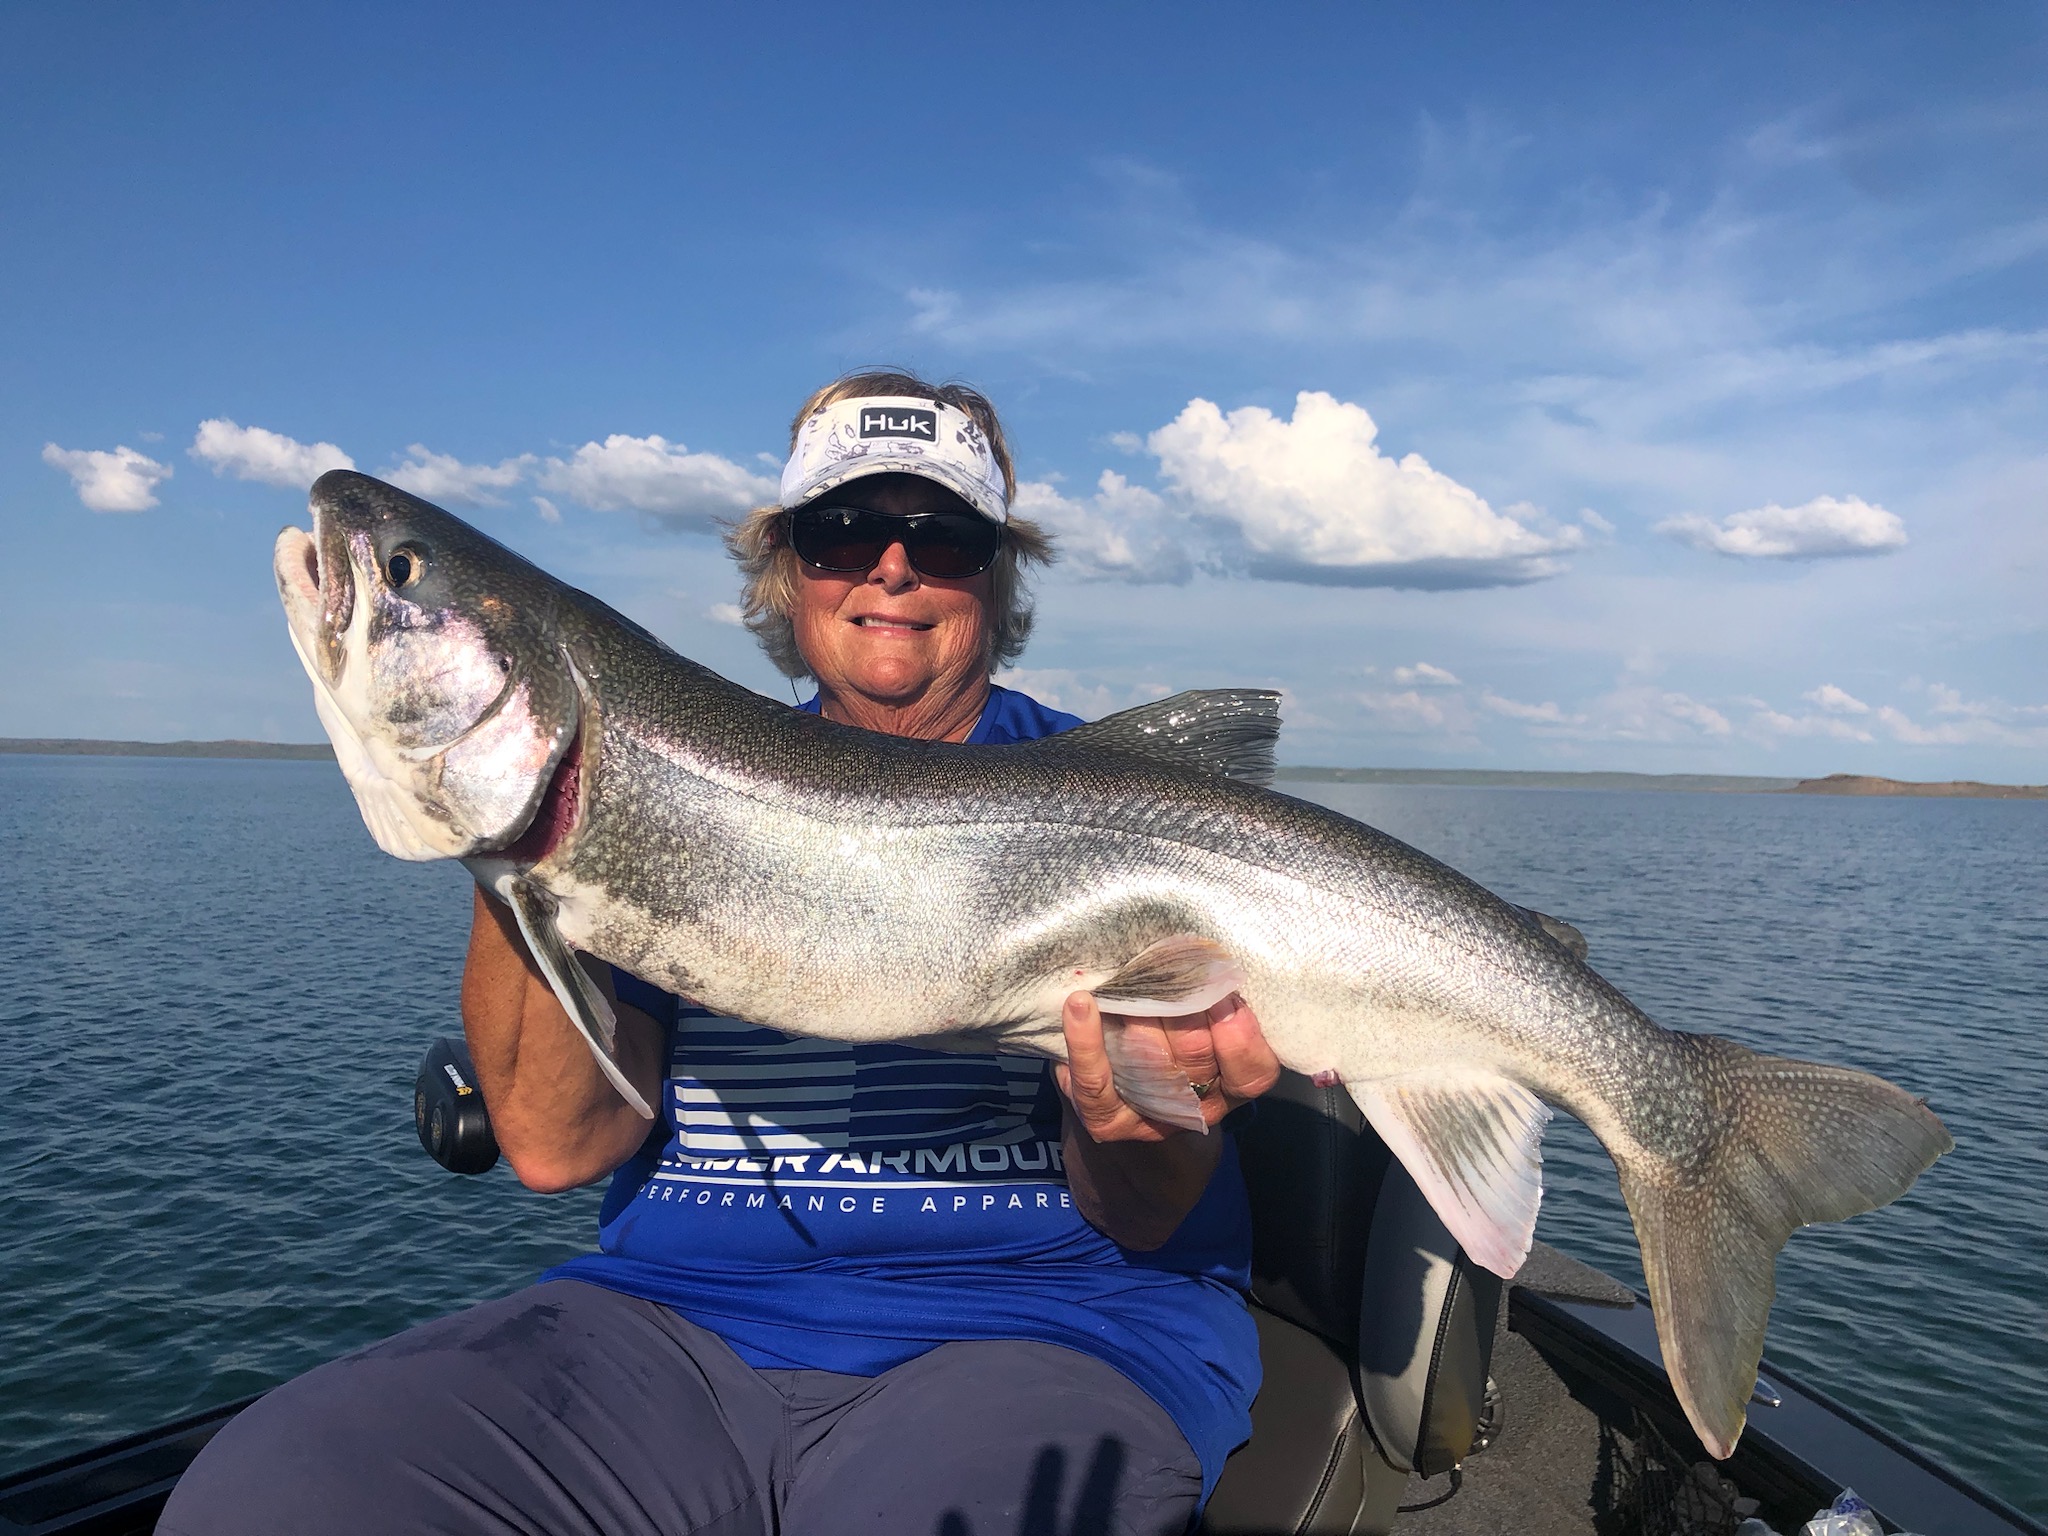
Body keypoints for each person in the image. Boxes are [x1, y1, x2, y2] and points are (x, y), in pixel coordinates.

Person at [161, 371, 1281, 1536]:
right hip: (669, 1327)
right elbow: (554, 1144)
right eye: (839, 531)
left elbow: (1143, 1215)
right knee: (274, 1493)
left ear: (997, 577)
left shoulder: (1120, 805)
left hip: (1044, 1327)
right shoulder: (671, 772)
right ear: (786, 568)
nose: (890, 568)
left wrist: (1145, 1118)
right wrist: (518, 836)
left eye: (942, 538)